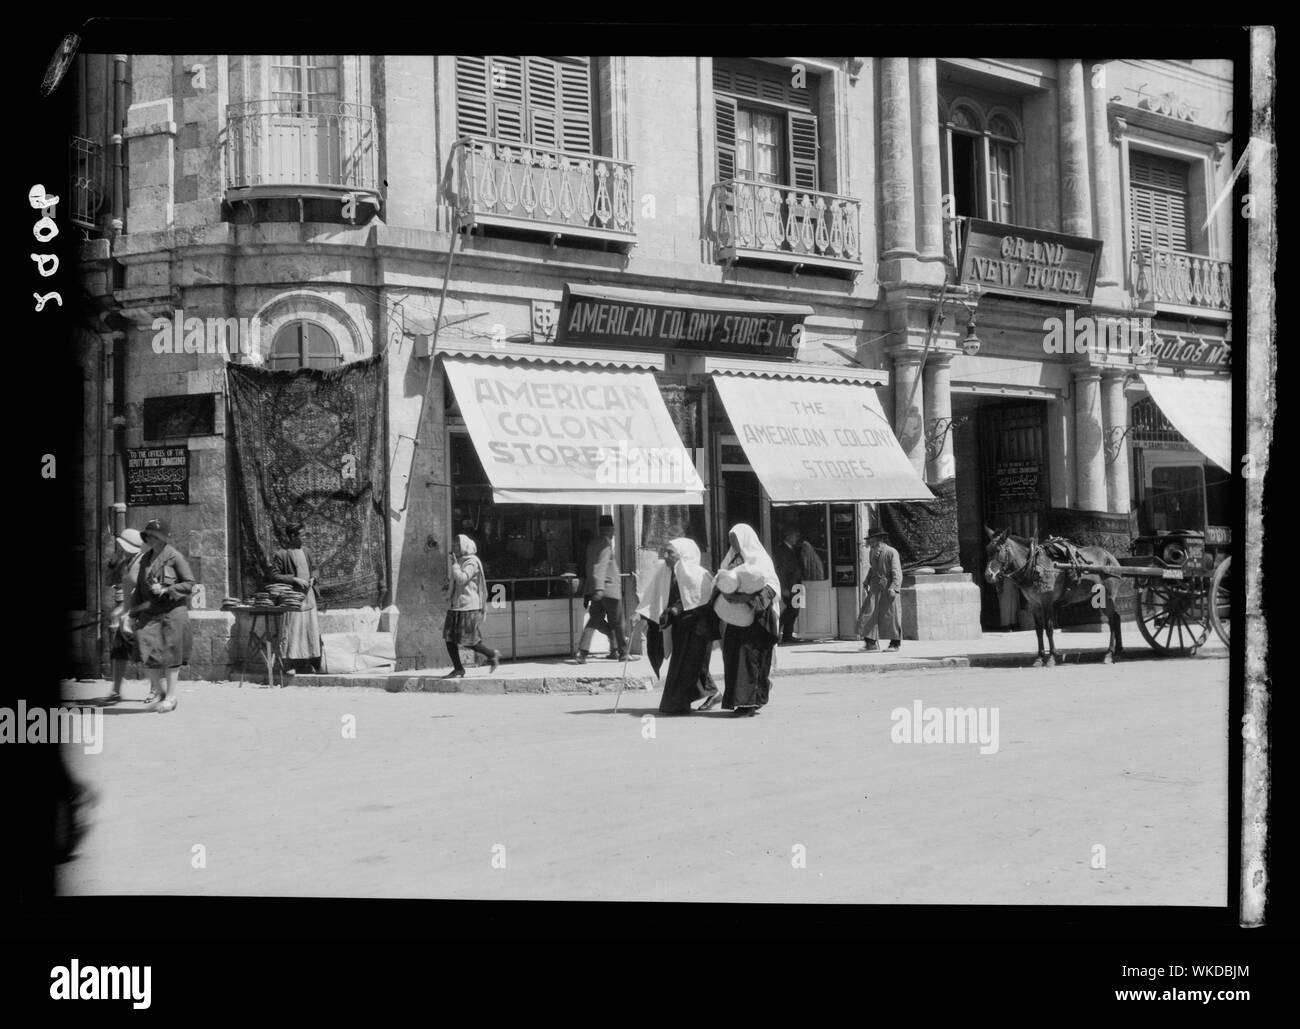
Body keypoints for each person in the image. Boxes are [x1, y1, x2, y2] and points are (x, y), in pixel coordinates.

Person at [638, 538, 720, 715]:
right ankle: (711, 692)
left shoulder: (699, 575)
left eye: (670, 553)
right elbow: (654, 596)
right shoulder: (665, 572)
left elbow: (700, 599)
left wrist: (677, 608)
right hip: (680, 627)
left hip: (697, 627)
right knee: (689, 664)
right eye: (664, 552)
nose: (665, 556)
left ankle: (678, 703)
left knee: (689, 664)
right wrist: (645, 614)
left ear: (683, 554)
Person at [713, 523, 781, 717]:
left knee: (750, 658)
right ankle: (741, 701)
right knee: (733, 656)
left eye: (735, 539)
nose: (732, 543)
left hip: (757, 619)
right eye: (730, 539)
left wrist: (747, 599)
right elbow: (722, 578)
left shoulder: (760, 559)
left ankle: (748, 704)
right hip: (736, 617)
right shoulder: (732, 558)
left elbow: (771, 587)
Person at [129, 518, 194, 712]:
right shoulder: (145, 558)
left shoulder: (175, 557)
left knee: (171, 654)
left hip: (172, 612)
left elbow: (190, 583)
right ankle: (158, 691)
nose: (149, 538)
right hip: (150, 612)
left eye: (153, 535)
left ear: (162, 538)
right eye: (147, 535)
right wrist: (133, 614)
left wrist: (167, 589)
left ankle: (171, 697)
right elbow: (139, 589)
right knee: (144, 646)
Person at [443, 534, 500, 678]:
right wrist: (449, 586)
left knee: (468, 640)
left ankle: (492, 654)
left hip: (468, 606)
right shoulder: (461, 561)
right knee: (449, 638)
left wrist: (455, 566)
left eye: (457, 545)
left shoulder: (472, 562)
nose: (454, 547)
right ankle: (458, 668)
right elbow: (458, 581)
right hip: (456, 605)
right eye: (454, 544)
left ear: (464, 546)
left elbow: (462, 579)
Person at [269, 522, 321, 677]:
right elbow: (274, 575)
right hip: (292, 598)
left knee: (308, 629)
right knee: (293, 630)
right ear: (292, 536)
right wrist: (294, 580)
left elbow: (316, 568)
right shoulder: (282, 554)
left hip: (308, 596)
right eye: (302, 534)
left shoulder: (307, 551)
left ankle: (305, 664)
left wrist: (313, 578)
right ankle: (288, 665)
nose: (304, 537)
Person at [577, 514, 630, 663]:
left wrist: (592, 589)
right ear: (611, 529)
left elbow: (589, 567)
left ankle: (583, 652)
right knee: (618, 622)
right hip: (608, 589)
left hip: (596, 589)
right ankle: (623, 652)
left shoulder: (593, 543)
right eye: (612, 530)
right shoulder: (606, 544)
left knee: (594, 620)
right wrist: (599, 588)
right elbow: (600, 566)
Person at [106, 528, 145, 702]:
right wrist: (112, 563)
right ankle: (115, 690)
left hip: (138, 615)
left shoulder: (142, 563)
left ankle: (155, 690)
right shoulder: (124, 564)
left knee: (147, 655)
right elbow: (108, 581)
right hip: (125, 615)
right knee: (118, 652)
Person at [857, 526, 903, 651]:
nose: (870, 542)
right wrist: (866, 581)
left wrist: (894, 587)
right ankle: (870, 643)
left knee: (891, 616)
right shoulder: (872, 552)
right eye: (870, 539)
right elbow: (873, 569)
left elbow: (897, 572)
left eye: (873, 539)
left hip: (888, 588)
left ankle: (895, 644)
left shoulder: (891, 552)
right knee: (868, 613)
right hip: (875, 587)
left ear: (879, 539)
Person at [772, 523, 804, 644]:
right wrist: (784, 588)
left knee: (795, 610)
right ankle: (776, 631)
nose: (796, 538)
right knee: (791, 610)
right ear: (788, 536)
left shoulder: (792, 549)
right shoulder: (782, 551)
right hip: (789, 586)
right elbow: (782, 570)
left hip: (796, 584)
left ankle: (787, 635)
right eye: (795, 535)